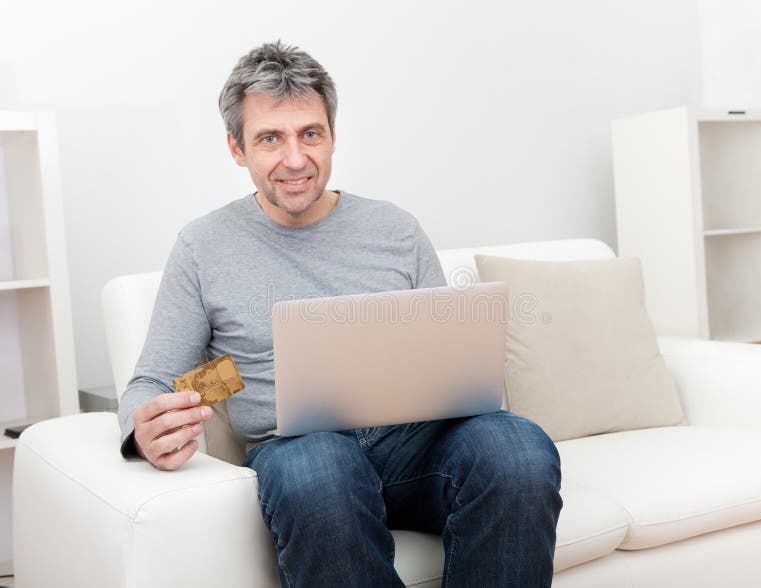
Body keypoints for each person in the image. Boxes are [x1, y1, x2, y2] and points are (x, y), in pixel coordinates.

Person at [117, 40, 563, 587]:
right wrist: (145, 432)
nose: (296, 159)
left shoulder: (395, 229)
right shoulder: (203, 247)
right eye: (270, 139)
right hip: (300, 457)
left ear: (332, 135)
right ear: (237, 148)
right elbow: (153, 382)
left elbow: (451, 360)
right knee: (321, 468)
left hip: (413, 448)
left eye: (310, 134)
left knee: (518, 447)